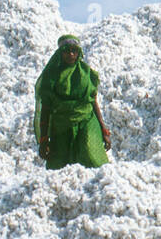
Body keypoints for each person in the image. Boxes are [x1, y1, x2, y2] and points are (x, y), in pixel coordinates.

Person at [34, 34, 111, 169]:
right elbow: (46, 108)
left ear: (79, 52)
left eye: (74, 51)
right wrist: (44, 139)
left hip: (86, 120)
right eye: (66, 51)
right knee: (58, 167)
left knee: (92, 158)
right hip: (61, 125)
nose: (70, 54)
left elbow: (93, 101)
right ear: (60, 53)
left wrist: (104, 129)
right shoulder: (51, 77)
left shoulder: (86, 73)